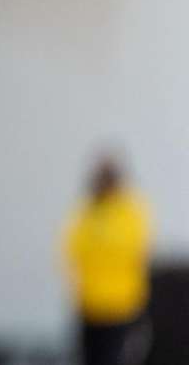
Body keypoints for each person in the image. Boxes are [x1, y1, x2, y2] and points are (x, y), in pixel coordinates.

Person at [64, 154, 152, 365]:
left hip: (121, 305)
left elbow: (135, 249)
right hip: (90, 304)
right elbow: (71, 249)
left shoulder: (129, 212)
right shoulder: (87, 212)